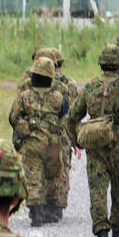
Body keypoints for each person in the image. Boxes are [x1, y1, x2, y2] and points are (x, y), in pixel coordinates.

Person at [67, 45, 119, 237]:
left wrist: (76, 140)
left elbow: (72, 116)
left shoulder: (90, 86)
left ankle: (101, 233)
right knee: (118, 186)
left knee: (97, 189)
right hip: (117, 144)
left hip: (95, 145)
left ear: (101, 64)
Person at [16, 47, 80, 221]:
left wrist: (23, 131)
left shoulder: (25, 84)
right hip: (57, 135)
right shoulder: (65, 85)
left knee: (34, 170)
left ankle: (38, 206)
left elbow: (16, 113)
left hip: (33, 134)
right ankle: (55, 206)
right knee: (59, 169)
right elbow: (70, 113)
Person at [8, 56, 69, 227]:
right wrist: (56, 130)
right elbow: (66, 118)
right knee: (52, 176)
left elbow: (13, 117)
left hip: (31, 144)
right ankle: (51, 207)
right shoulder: (59, 97)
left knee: (32, 177)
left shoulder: (25, 96)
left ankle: (36, 213)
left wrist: (26, 129)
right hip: (52, 144)